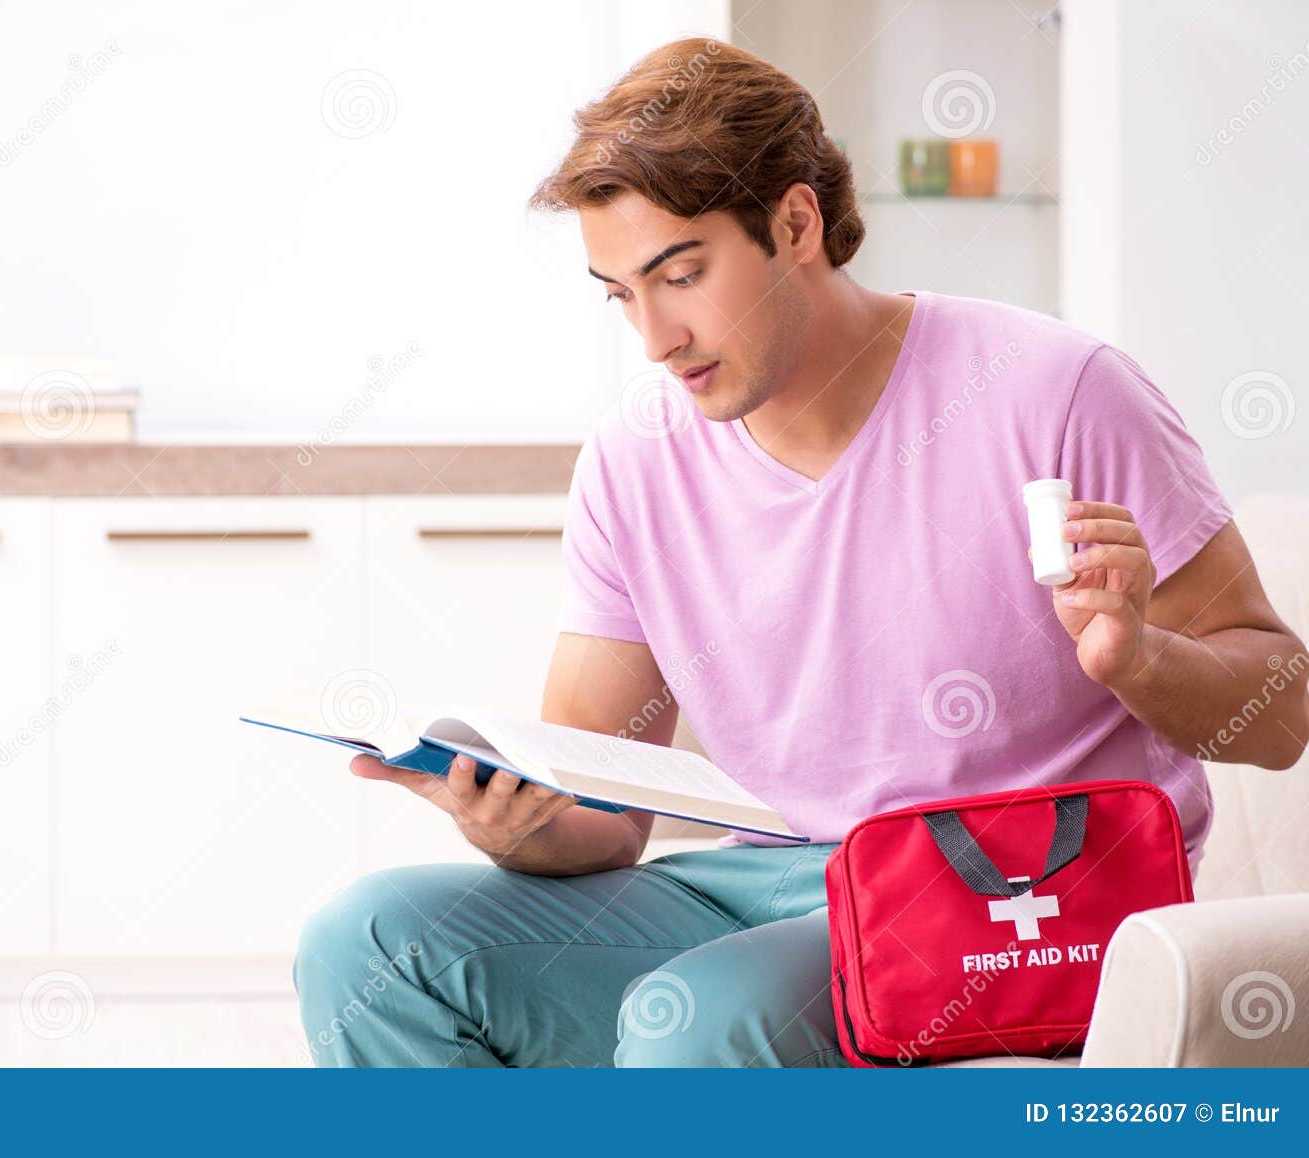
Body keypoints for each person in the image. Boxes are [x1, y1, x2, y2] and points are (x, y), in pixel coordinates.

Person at [293, 37, 1307, 1067]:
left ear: (794, 221)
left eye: (679, 275)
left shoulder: (1058, 391)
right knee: (369, 946)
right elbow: (601, 807)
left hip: (1008, 890)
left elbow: (1284, 712)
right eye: (619, 294)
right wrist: (512, 825)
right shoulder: (636, 460)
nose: (654, 338)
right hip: (771, 887)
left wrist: (1141, 661)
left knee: (699, 1019)